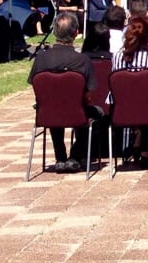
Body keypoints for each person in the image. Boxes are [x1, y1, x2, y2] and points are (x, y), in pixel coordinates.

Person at [27, 13, 100, 173]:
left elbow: (36, 86)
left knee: (53, 105)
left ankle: (60, 157)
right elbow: (89, 95)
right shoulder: (82, 60)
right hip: (77, 112)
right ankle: (75, 155)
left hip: (47, 112)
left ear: (54, 33)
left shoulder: (41, 59)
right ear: (76, 33)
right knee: (95, 113)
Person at [111, 14, 148, 167]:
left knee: (140, 99)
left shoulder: (117, 58)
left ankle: (136, 144)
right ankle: (145, 151)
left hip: (123, 107)